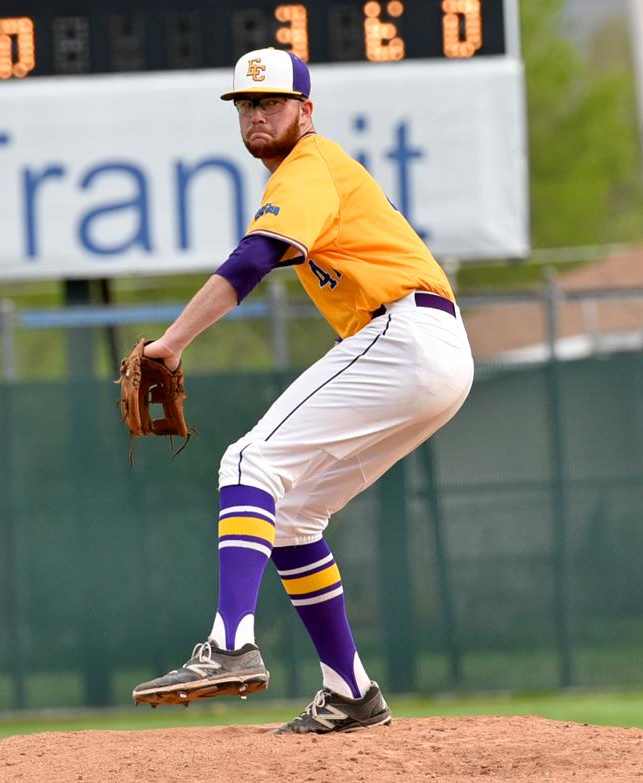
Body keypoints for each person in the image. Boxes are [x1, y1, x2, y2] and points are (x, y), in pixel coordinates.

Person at [130, 48, 474, 735]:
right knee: (293, 517)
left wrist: (170, 342)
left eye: (273, 103)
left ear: (305, 112)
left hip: (404, 335)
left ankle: (229, 644)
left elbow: (254, 257)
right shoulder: (313, 175)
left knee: (247, 463)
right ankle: (349, 690)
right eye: (247, 105)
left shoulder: (310, 164)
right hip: (432, 351)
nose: (258, 115)